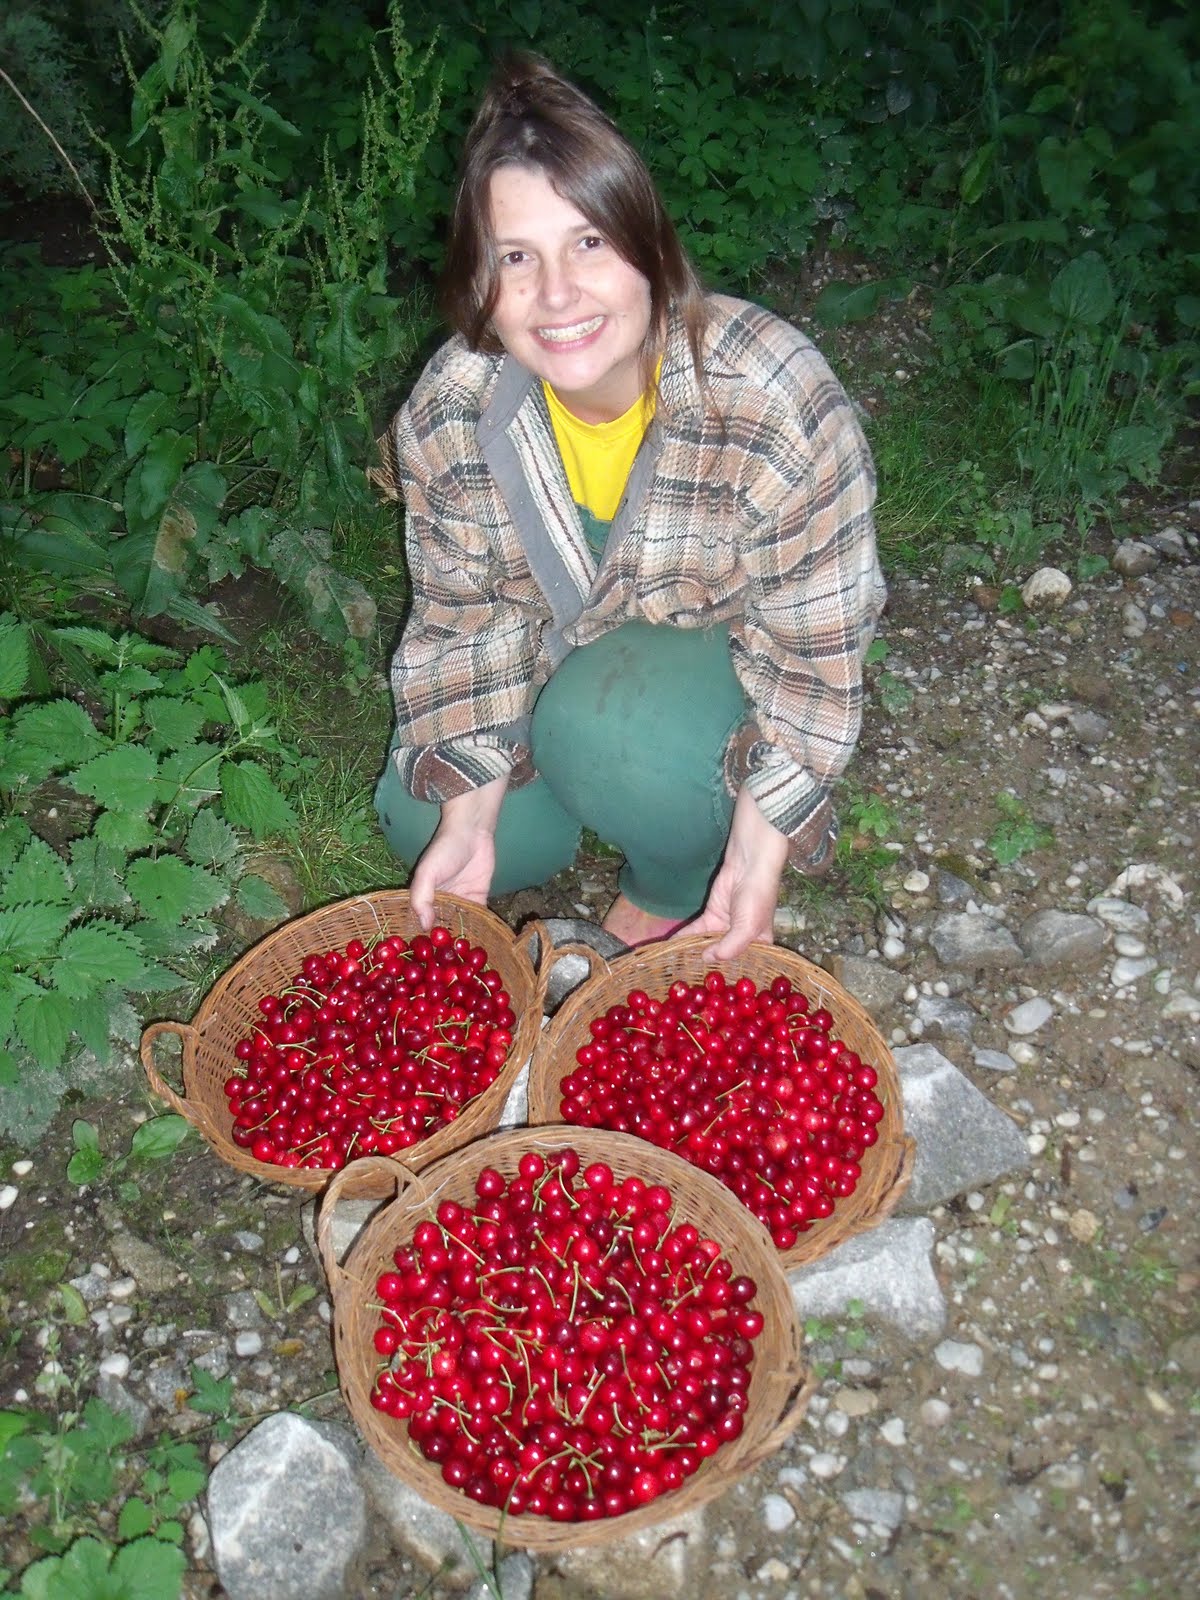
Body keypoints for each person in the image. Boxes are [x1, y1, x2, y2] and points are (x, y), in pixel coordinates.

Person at [372, 55, 884, 962]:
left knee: (614, 734)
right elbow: (464, 620)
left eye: (590, 243)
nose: (556, 295)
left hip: (690, 686)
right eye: (517, 258)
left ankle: (674, 873)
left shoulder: (770, 397)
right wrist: (470, 814)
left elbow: (814, 659)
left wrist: (758, 857)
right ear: (479, 283)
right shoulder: (453, 407)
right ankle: (550, 801)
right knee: (419, 816)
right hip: (546, 660)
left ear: (651, 249)